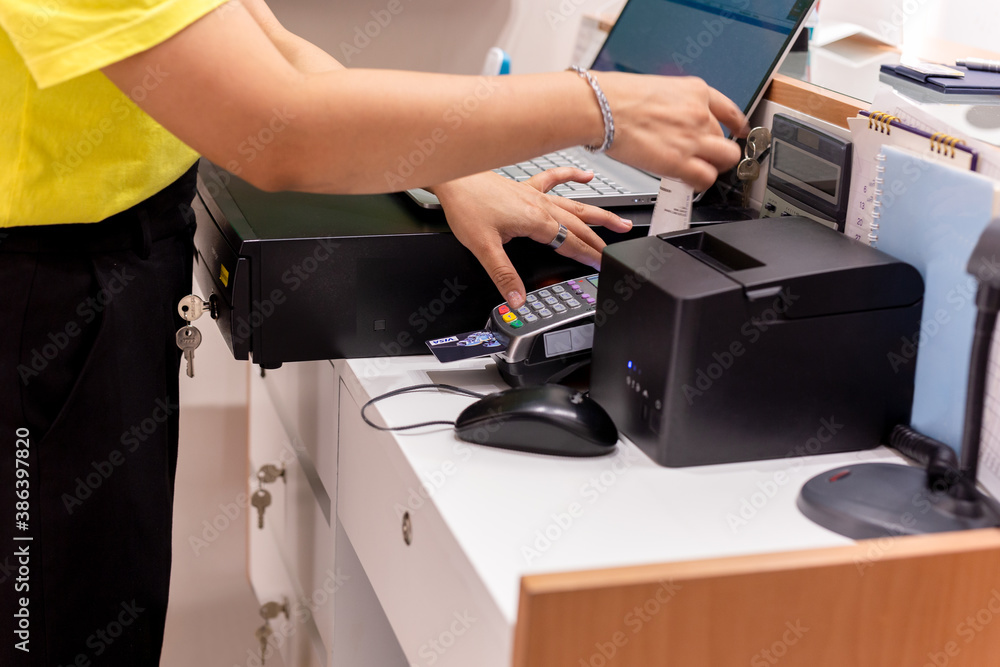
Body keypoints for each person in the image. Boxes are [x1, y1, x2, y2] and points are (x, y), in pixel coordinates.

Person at [0, 0, 746, 664]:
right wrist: (598, 104)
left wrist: (450, 172)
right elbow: (279, 126)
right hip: (43, 291)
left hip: (113, 263)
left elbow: (282, 52)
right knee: (54, 625)